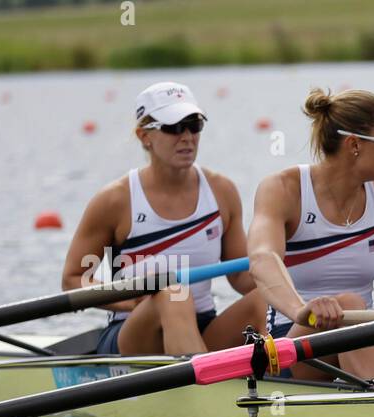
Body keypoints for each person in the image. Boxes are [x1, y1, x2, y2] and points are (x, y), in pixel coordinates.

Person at [247, 88, 374, 382]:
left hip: (359, 336)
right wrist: (300, 309)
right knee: (349, 304)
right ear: (354, 144)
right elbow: (262, 259)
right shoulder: (284, 189)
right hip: (296, 345)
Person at [62, 81, 266, 356]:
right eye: (173, 127)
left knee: (263, 299)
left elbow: (241, 276)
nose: (187, 137)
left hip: (203, 325)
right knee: (171, 292)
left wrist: (289, 273)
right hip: (133, 334)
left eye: (194, 125)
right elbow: (73, 279)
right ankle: (204, 391)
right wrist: (128, 298)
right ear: (144, 136)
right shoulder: (115, 200)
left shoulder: (221, 191)